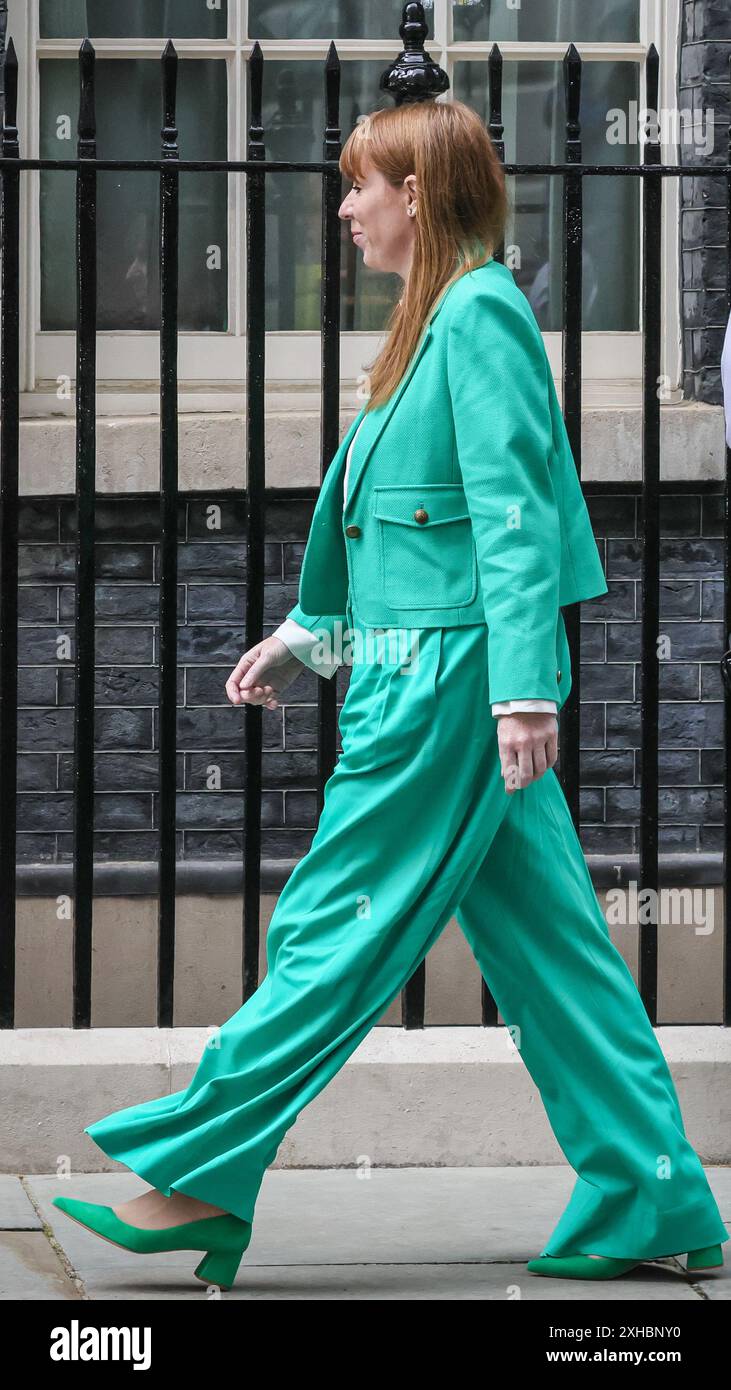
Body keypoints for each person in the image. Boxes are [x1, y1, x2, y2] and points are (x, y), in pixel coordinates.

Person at [52, 99, 729, 1290]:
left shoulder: (473, 316)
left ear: (416, 191)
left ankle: (197, 1182)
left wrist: (523, 687)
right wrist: (308, 636)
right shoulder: (432, 324)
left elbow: (514, 511)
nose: (344, 205)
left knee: (330, 928)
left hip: (447, 690)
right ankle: (653, 1194)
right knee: (556, 952)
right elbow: (416, 533)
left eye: (360, 184)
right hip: (431, 671)